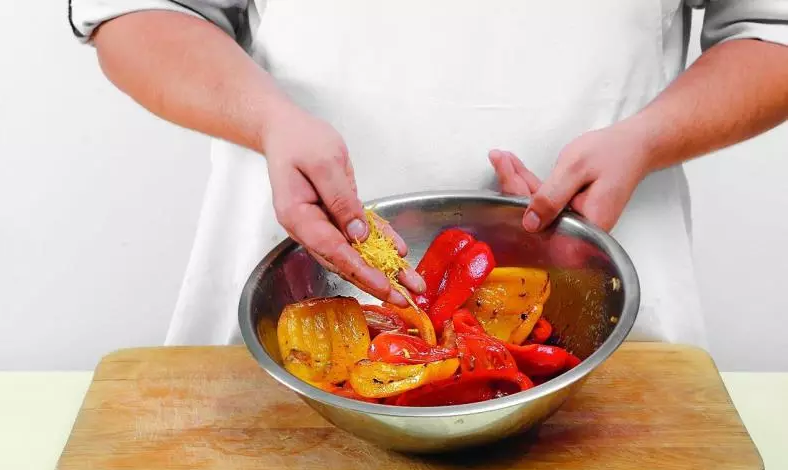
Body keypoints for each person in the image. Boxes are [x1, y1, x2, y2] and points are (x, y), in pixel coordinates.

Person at [69, 0, 788, 346]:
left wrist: (649, 137)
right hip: (298, 311)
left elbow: (772, 28)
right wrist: (269, 120)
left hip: (606, 321)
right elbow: (139, 15)